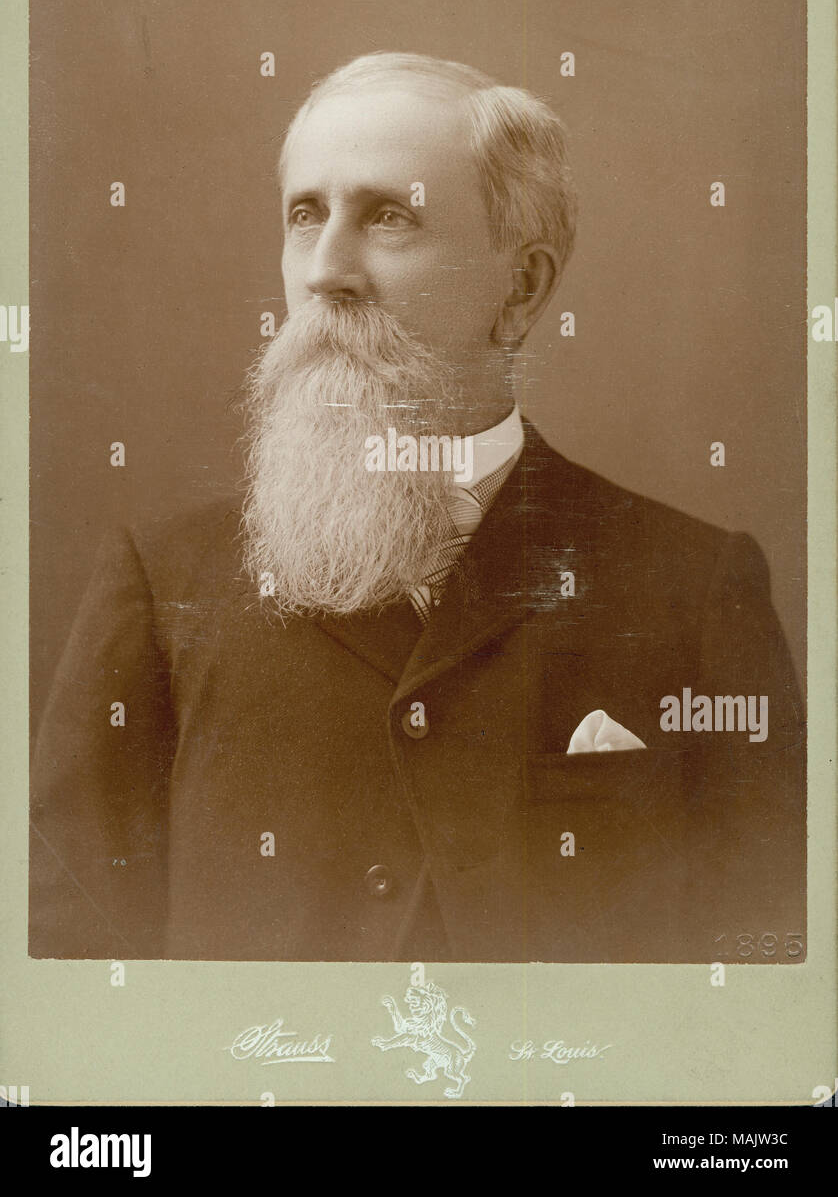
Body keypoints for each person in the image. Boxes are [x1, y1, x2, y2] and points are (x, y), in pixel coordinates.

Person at [30, 52, 805, 964]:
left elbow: (761, 972)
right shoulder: (162, 588)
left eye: (389, 217)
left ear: (520, 291)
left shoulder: (694, 587)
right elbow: (74, 970)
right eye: (305, 215)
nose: (326, 273)